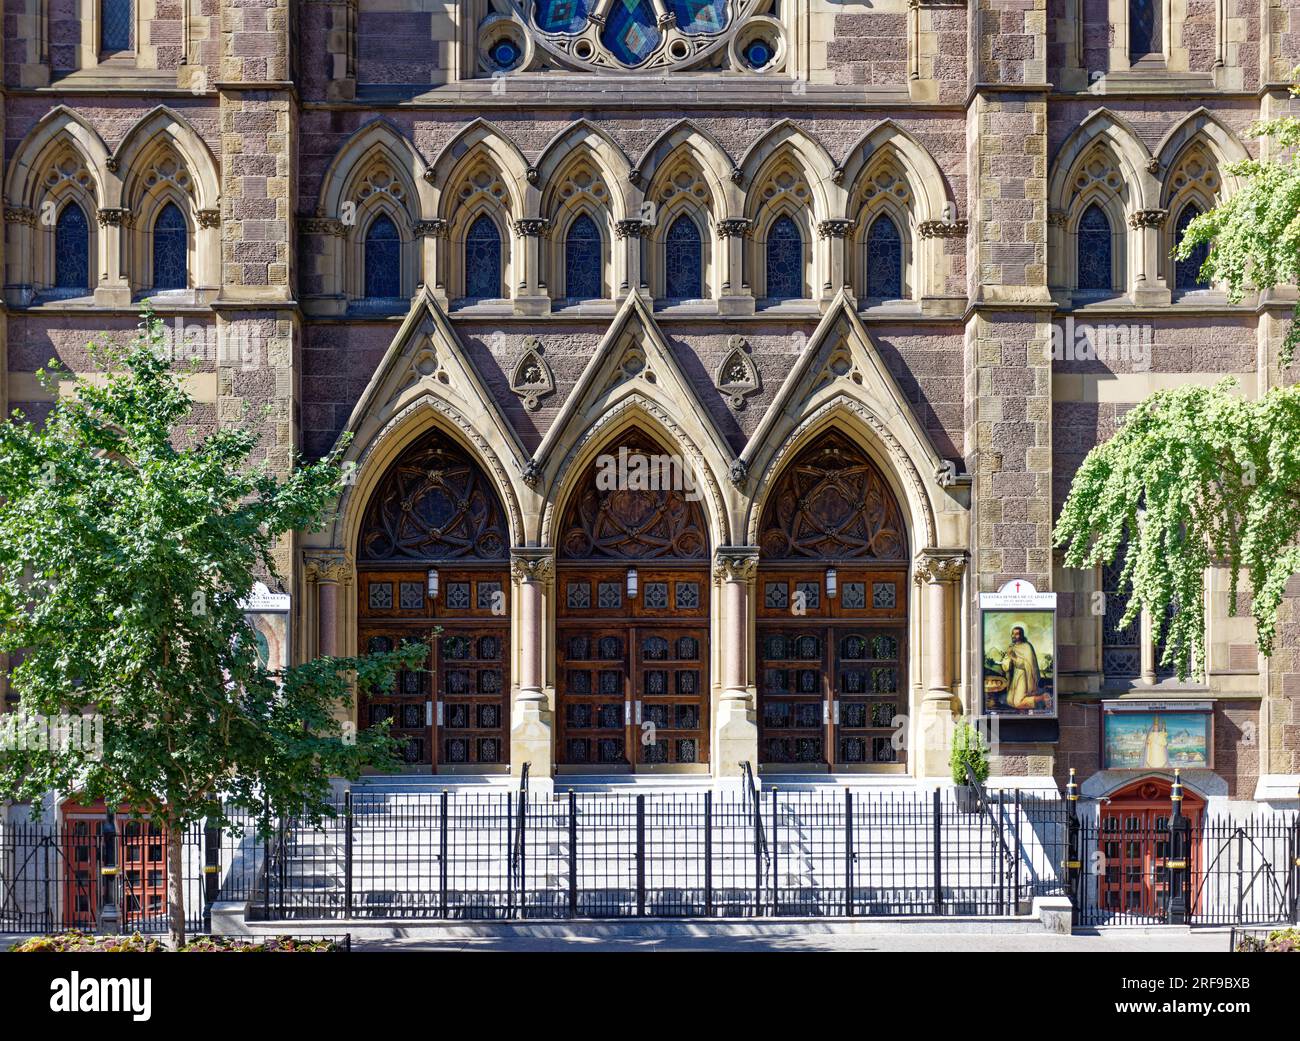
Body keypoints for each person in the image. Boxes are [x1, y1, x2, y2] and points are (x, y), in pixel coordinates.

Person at [1000, 625, 1041, 710]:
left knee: (1017, 702)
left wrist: (1013, 657)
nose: (1014, 636)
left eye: (1017, 634)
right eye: (1013, 634)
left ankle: (1042, 698)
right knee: (1009, 701)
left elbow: (1027, 664)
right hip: (1015, 675)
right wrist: (1007, 660)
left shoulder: (1027, 647)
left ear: (1021, 635)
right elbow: (1006, 665)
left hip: (1024, 675)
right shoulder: (1012, 647)